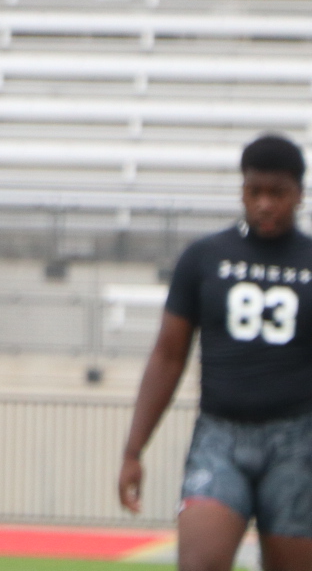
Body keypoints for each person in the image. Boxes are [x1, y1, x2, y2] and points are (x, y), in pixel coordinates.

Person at [118, 135, 312, 571]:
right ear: (242, 189)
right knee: (200, 563)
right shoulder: (205, 258)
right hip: (219, 435)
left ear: (299, 194)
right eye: (254, 191)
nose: (264, 204)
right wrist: (134, 449)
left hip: (297, 440)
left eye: (277, 193)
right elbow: (168, 356)